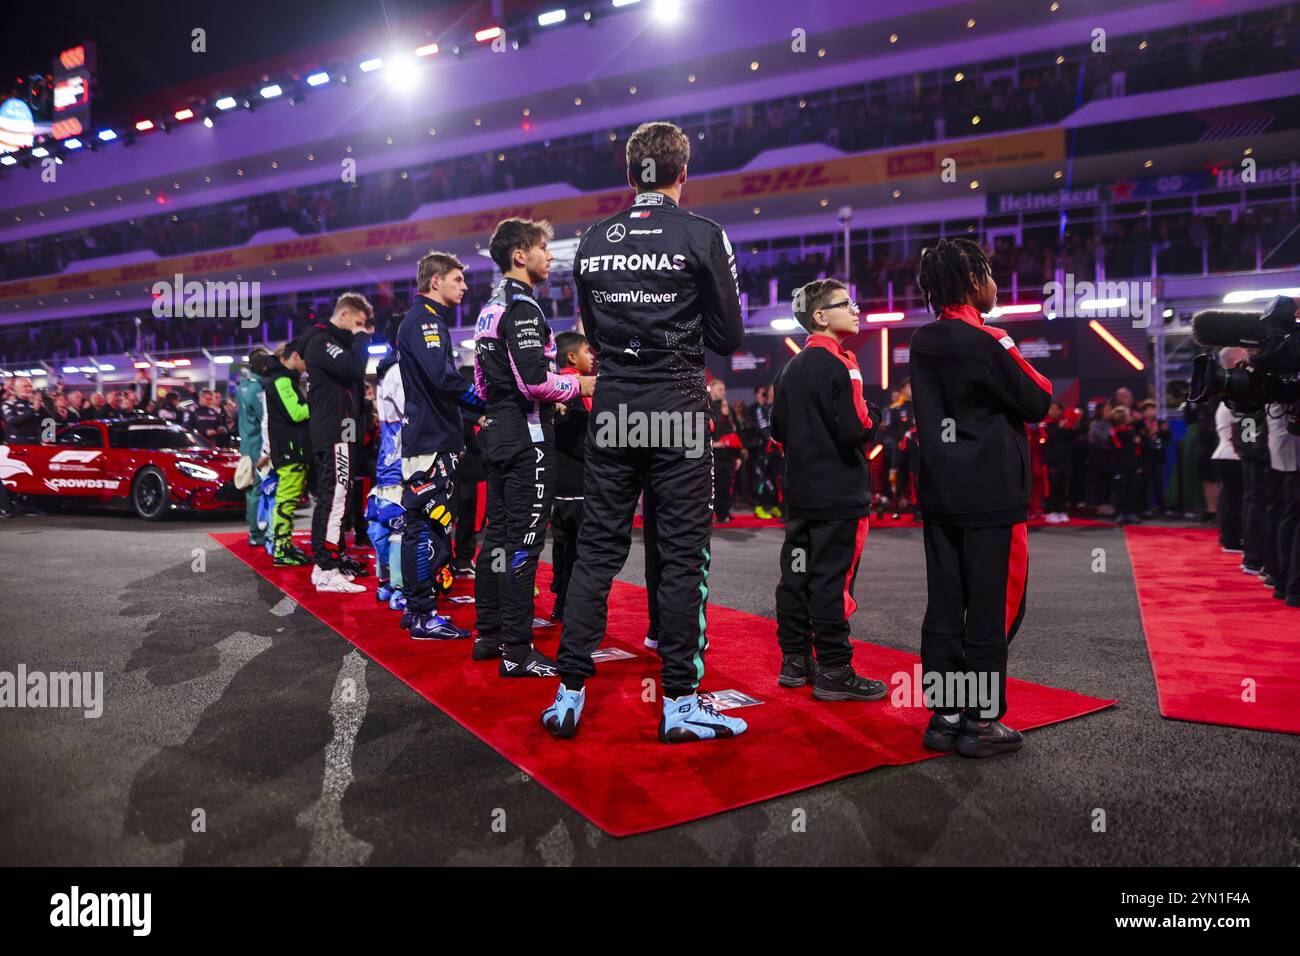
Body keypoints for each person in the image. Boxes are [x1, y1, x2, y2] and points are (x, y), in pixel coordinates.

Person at [543, 120, 746, 743]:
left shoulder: (595, 239)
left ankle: (568, 692)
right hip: (677, 407)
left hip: (616, 406)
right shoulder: (703, 234)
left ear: (631, 176)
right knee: (683, 554)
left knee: (597, 551)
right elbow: (729, 337)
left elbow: (592, 334)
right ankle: (681, 702)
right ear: (683, 173)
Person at [910, 237, 1052, 758]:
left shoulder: (923, 340)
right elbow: (1039, 398)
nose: (995, 283)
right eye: (989, 273)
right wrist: (1005, 344)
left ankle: (944, 717)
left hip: (942, 491)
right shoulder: (991, 340)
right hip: (992, 493)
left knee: (945, 605)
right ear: (973, 282)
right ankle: (981, 721)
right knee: (992, 610)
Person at [471, 218, 589, 674]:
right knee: (523, 542)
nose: (550, 255)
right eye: (543, 247)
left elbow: (481, 383)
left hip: (499, 431)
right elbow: (535, 381)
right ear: (520, 255)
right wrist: (583, 385)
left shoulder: (489, 306)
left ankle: (490, 635)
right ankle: (518, 651)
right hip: (527, 436)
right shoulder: (523, 306)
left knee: (497, 538)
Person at [771, 279, 887, 701]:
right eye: (846, 304)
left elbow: (777, 431)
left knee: (796, 578)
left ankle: (795, 661)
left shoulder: (789, 369)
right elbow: (857, 427)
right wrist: (877, 417)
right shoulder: (843, 363)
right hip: (840, 497)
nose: (855, 310)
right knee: (832, 583)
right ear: (820, 317)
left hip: (801, 496)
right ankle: (836, 670)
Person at [397, 252, 486, 639]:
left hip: (431, 437)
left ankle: (419, 608)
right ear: (436, 282)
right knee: (425, 527)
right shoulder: (423, 321)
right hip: (428, 440)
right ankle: (421, 614)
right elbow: (443, 379)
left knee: (429, 526)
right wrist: (486, 402)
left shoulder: (427, 320)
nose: (464, 286)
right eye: (457, 279)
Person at [300, 292, 374, 593]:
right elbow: (353, 369)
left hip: (337, 431)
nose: (362, 330)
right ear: (344, 315)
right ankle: (328, 567)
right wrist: (360, 340)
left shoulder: (325, 343)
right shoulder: (321, 342)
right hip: (335, 433)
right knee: (336, 499)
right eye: (358, 324)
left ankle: (323, 564)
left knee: (332, 497)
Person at [549, 331, 596, 622]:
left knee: (562, 545)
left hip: (559, 485)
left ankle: (562, 601)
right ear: (571, 357)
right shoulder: (576, 391)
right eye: (587, 351)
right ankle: (574, 606)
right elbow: (582, 441)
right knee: (580, 549)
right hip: (577, 482)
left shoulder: (552, 388)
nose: (592, 356)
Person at [366, 317, 407, 608]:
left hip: (387, 454)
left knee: (381, 523)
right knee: (398, 526)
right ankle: (399, 589)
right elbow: (411, 415)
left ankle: (384, 583)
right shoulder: (401, 370)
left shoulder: (387, 368)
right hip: (400, 454)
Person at [262, 341, 312, 567]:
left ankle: (284, 545)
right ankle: (281, 550)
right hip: (290, 451)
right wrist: (319, 405)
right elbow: (297, 413)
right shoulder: (282, 380)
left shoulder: (282, 379)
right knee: (286, 500)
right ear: (294, 357)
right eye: (304, 360)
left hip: (290, 450)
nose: (306, 366)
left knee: (287, 500)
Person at [237, 349, 270, 548]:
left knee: (251, 489)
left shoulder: (242, 386)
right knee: (258, 489)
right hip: (257, 444)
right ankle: (257, 532)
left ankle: (254, 530)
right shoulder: (257, 390)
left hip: (246, 443)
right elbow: (265, 417)